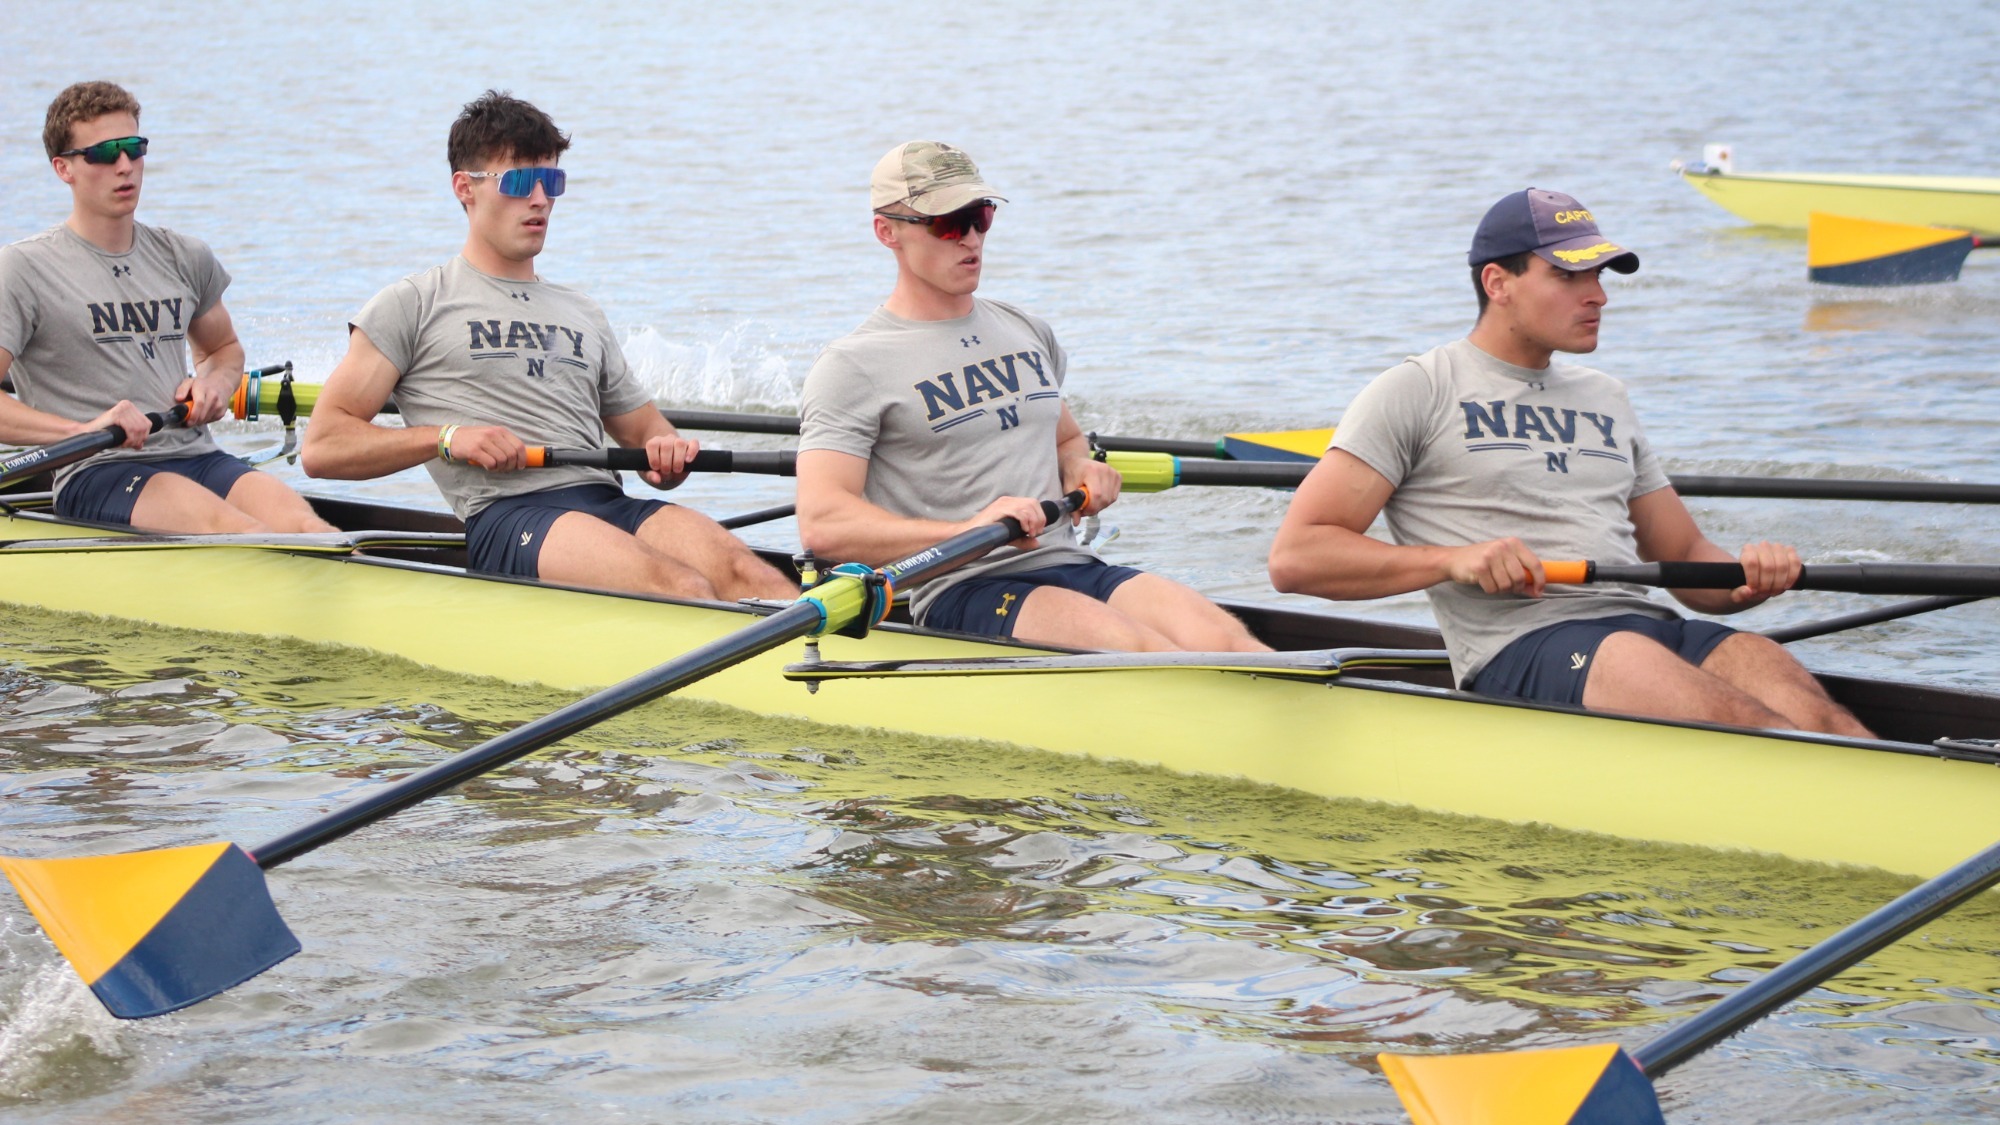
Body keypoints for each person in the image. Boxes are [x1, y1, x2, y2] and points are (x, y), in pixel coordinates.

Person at [1268, 187, 1870, 735]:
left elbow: (1685, 556)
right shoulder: (1418, 389)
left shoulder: (1605, 395)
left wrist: (1747, 577)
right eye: (1568, 275)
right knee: (1748, 725)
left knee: (1804, 703)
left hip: (1646, 625)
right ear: (1498, 283)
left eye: (1601, 274)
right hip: (1523, 642)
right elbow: (1297, 557)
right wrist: (1454, 561)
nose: (1599, 295)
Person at [300, 91, 792, 602]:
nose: (539, 199)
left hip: (606, 500)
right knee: (680, 587)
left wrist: (665, 454)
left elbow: (646, 434)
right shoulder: (414, 303)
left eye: (551, 181)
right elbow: (323, 446)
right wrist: (446, 438)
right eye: (517, 182)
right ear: (464, 188)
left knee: (753, 578)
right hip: (509, 513)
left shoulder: (581, 310)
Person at [796, 141, 1266, 652]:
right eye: (948, 224)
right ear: (887, 232)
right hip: (966, 586)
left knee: (1229, 642)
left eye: (980, 217)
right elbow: (823, 522)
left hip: (1073, 565)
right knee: (1141, 651)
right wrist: (965, 528)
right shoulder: (853, 365)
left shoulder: (1024, 330)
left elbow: (1066, 438)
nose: (971, 238)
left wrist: (1081, 467)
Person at [0, 81, 334, 533]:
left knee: (312, 530)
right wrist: (83, 430)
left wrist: (214, 385)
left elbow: (223, 350)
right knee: (245, 534)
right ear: (64, 168)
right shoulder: (23, 269)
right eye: (104, 153)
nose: (125, 166)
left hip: (199, 455)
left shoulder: (183, 255)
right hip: (99, 470)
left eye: (134, 149)